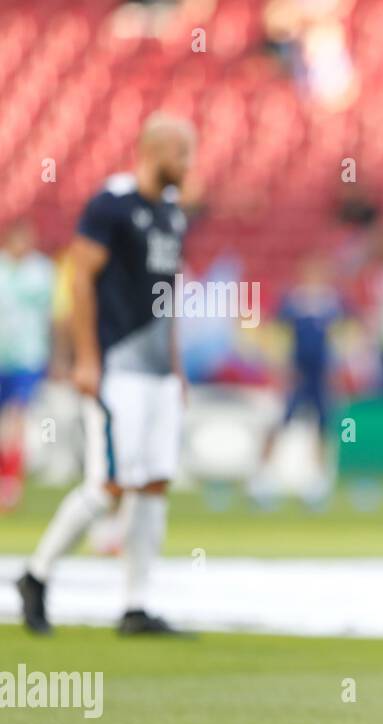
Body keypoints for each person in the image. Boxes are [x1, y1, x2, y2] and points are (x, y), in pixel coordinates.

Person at [15, 113, 195, 636]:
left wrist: (176, 368)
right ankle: (36, 573)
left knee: (154, 482)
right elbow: (80, 281)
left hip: (159, 372)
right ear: (154, 150)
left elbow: (169, 299)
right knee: (110, 484)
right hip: (119, 367)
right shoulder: (111, 205)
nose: (188, 165)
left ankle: (136, 605)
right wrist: (85, 358)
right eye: (182, 154)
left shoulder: (172, 215)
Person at [249, 252, 347, 506]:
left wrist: (338, 367)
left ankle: (317, 482)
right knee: (280, 422)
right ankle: (263, 478)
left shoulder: (333, 303)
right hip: (296, 373)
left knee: (323, 427)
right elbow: (274, 332)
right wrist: (279, 365)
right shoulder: (293, 302)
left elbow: (348, 332)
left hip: (321, 374)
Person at [0, 221, 55, 510]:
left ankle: (10, 482)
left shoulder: (42, 272)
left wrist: (58, 357)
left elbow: (54, 317)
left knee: (16, 418)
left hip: (27, 357)